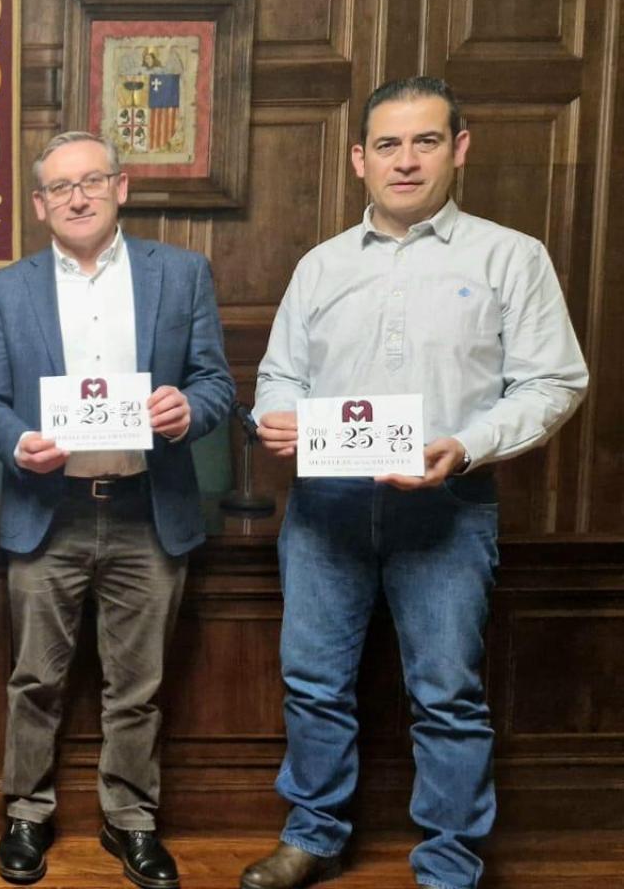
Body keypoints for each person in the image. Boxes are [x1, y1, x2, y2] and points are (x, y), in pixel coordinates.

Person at [243, 76, 588, 889]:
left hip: (447, 506)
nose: (406, 161)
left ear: (458, 149)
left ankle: (450, 861)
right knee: (314, 682)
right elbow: (280, 375)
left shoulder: (511, 257)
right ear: (359, 159)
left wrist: (463, 446)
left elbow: (554, 382)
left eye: (425, 141)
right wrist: (279, 417)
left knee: (447, 692)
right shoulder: (320, 267)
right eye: (388, 145)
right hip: (325, 509)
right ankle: (315, 833)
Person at [0, 130, 233, 889]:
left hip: (147, 510)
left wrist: (190, 408)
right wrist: (17, 442)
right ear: (39, 204)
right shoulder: (8, 288)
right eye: (61, 187)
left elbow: (217, 383)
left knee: (139, 684)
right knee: (35, 679)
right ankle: (26, 812)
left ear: (121, 187)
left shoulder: (182, 275)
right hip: (46, 511)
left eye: (92, 181)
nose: (78, 197)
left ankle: (132, 823)